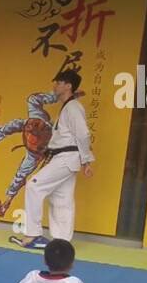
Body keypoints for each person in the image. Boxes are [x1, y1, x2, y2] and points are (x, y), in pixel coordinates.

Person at [11, 70, 95, 249]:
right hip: (65, 157)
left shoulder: (73, 107)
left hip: (66, 157)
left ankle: (33, 235)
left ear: (68, 86)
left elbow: (83, 133)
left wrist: (86, 160)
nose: (54, 86)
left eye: (58, 82)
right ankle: (61, 243)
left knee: (34, 186)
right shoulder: (68, 107)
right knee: (61, 199)